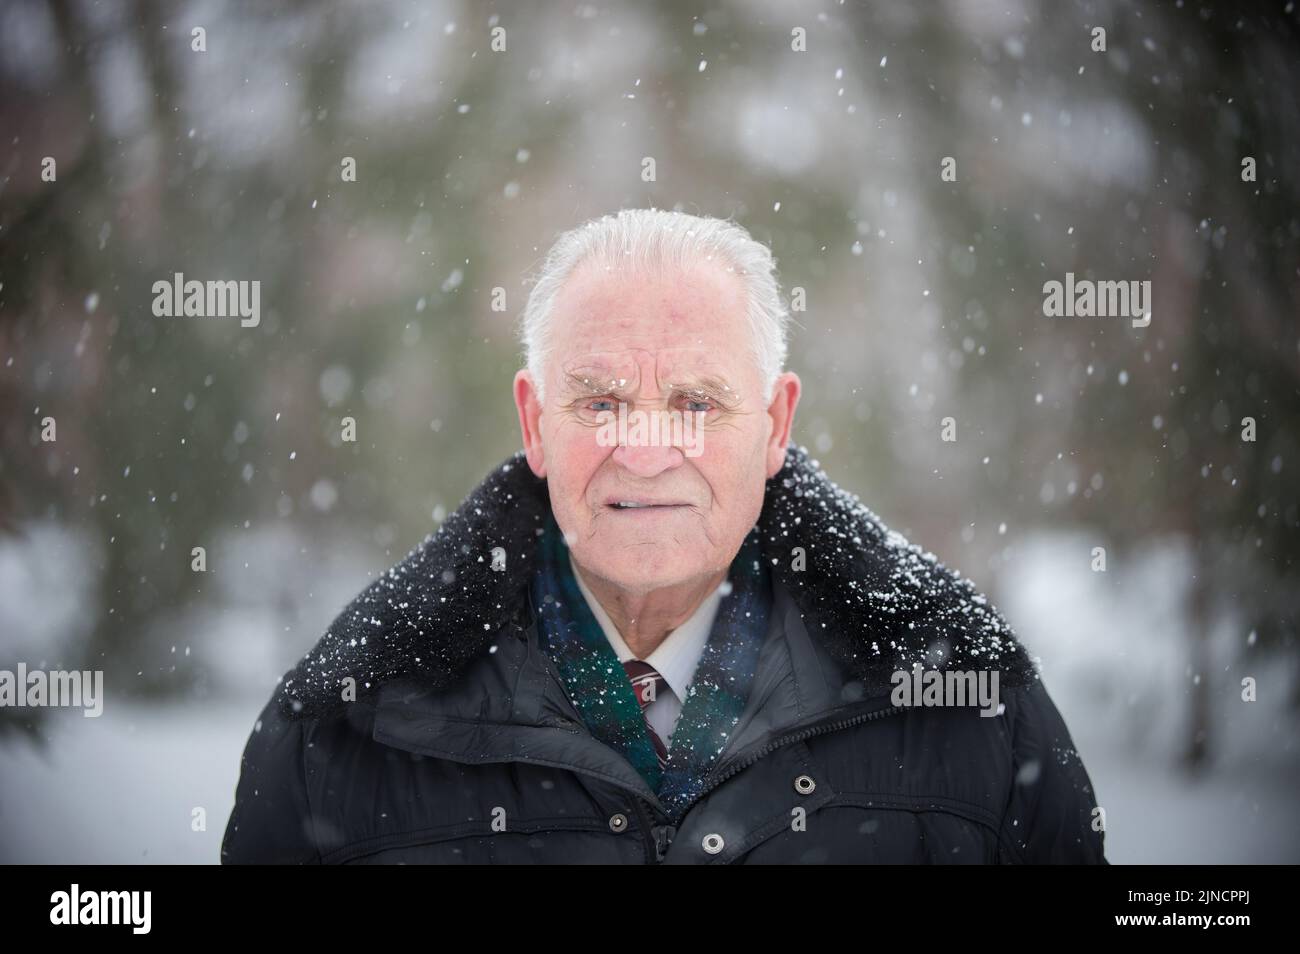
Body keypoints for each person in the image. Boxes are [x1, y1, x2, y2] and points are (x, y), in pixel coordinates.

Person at [222, 208, 1106, 864]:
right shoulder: (346, 726)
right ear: (534, 422)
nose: (646, 454)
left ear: (775, 423)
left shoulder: (969, 709)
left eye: (696, 404)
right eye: (601, 402)